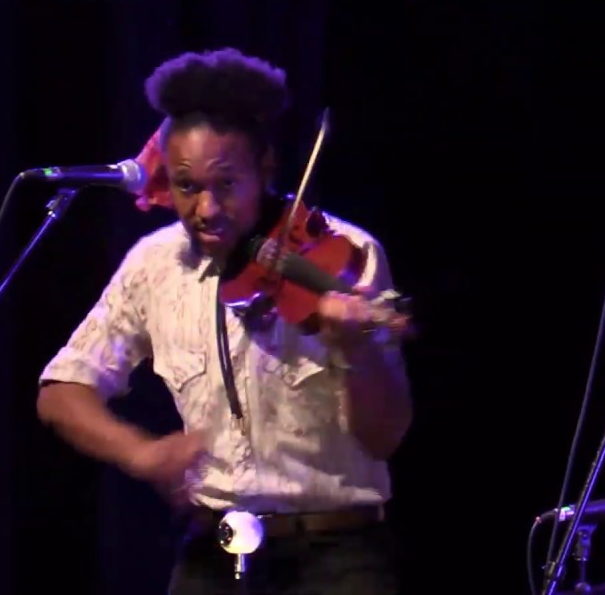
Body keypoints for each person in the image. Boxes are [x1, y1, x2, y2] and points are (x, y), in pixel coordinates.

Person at [35, 47, 413, 595]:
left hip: (337, 555)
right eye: (187, 186)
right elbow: (60, 390)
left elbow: (384, 437)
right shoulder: (154, 263)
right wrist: (141, 453)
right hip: (211, 551)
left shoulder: (348, 254)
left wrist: (360, 351)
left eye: (227, 185)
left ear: (265, 169)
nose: (207, 209)